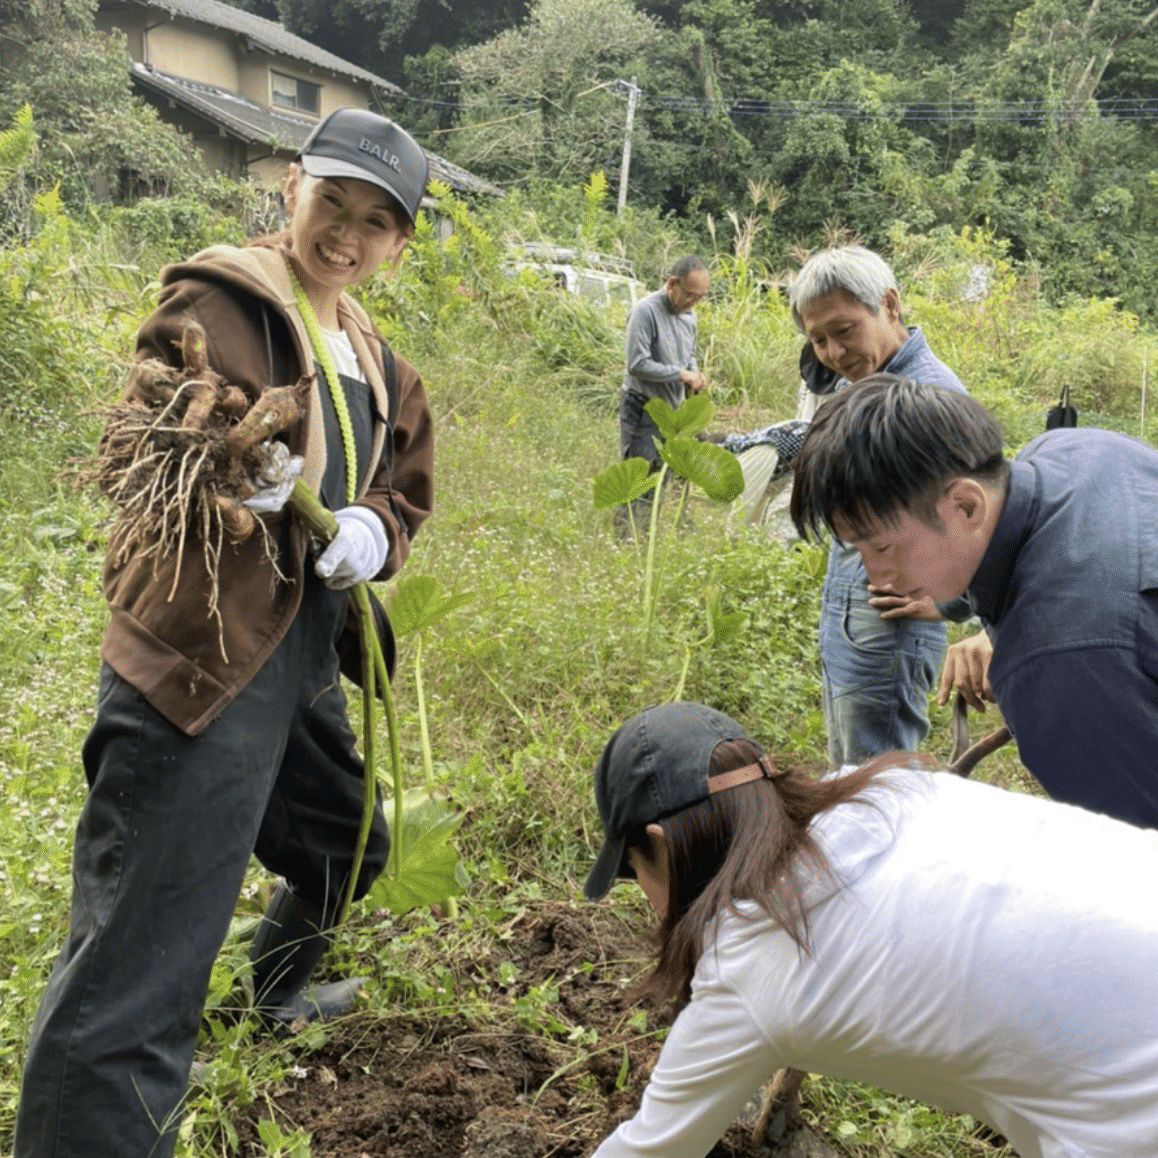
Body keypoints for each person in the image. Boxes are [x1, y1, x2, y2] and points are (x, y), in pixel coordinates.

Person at [15, 107, 435, 1158]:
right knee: (145, 954)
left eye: (375, 220)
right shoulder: (227, 291)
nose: (345, 232)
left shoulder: (375, 354)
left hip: (298, 648)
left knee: (348, 841)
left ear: (400, 242)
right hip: (207, 646)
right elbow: (174, 382)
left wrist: (376, 530)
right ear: (293, 185)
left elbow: (405, 474)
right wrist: (229, 471)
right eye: (331, 199)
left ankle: (276, 993)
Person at [584, 700, 1158, 1158]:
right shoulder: (883, 793)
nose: (651, 906)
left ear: (660, 845)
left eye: (634, 876)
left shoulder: (746, 970)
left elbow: (651, 1149)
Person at [790, 373, 1158, 828]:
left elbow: (1139, 861)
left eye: (883, 548)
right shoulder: (1074, 449)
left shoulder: (1056, 668)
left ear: (965, 507)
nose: (875, 576)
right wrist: (960, 609)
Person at [788, 245, 973, 768]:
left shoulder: (928, 400)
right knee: (853, 778)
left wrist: (950, 603)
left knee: (877, 790)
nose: (832, 352)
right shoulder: (869, 390)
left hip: (886, 635)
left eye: (844, 331)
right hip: (853, 621)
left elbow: (982, 518)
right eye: (817, 339)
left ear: (889, 305)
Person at [616, 256, 709, 530]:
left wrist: (694, 373)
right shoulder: (645, 311)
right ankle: (625, 543)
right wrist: (681, 374)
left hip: (671, 410)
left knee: (660, 480)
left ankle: (647, 540)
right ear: (672, 284)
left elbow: (687, 354)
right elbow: (637, 363)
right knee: (637, 478)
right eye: (690, 295)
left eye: (700, 297)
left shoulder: (690, 315)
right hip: (642, 406)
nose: (695, 302)